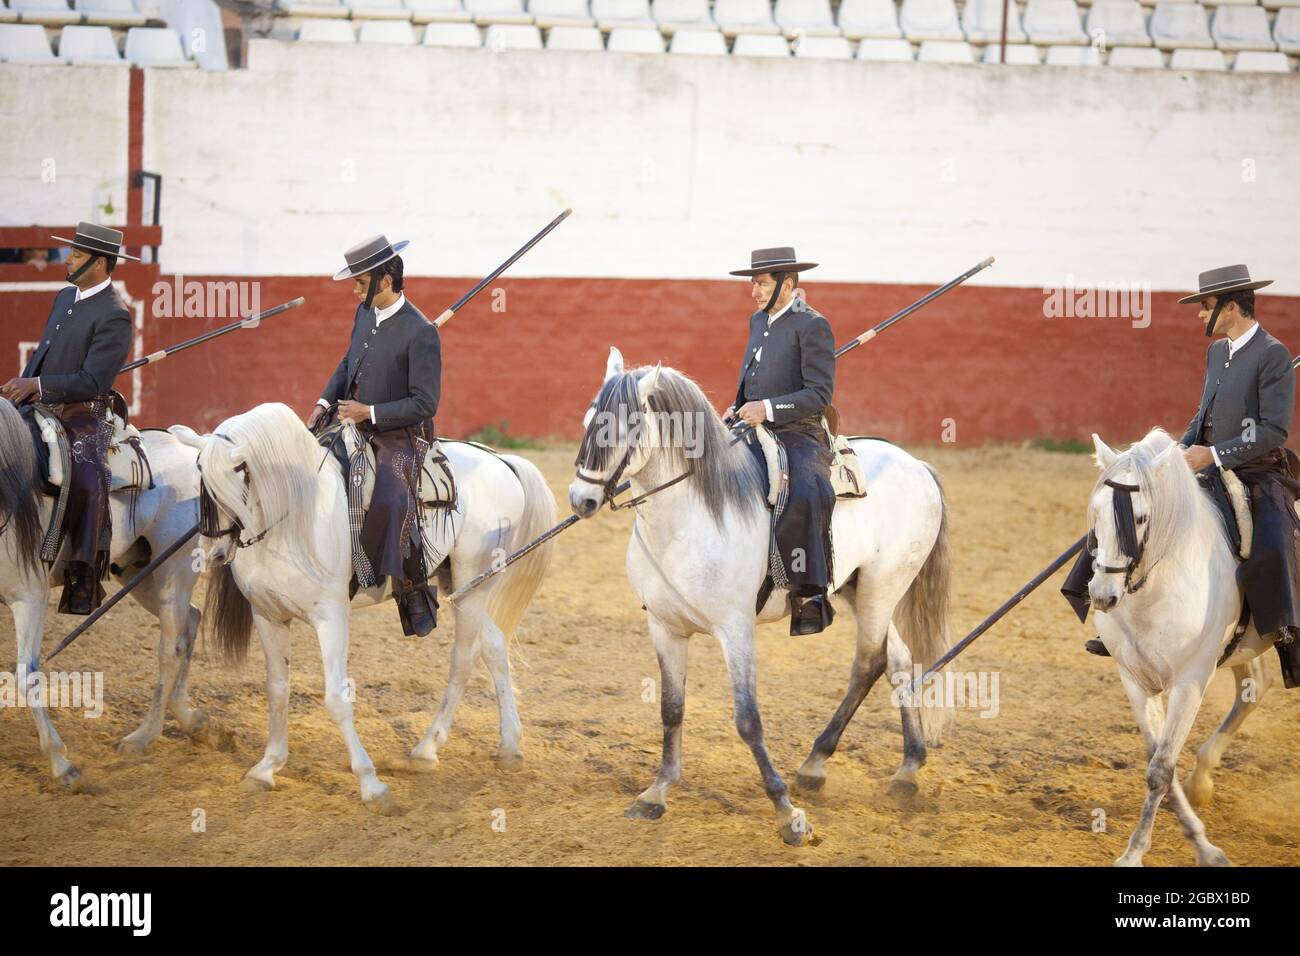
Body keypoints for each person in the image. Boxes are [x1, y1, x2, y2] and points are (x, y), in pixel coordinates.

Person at [1065, 264, 1300, 688]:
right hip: (1199, 461)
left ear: (1230, 307)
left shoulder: (1273, 355)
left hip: (1256, 471)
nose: (1199, 314)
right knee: (1125, 510)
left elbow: (1273, 431)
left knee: (1274, 538)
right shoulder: (1218, 351)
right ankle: (1107, 616)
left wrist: (1214, 454)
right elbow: (1203, 413)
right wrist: (1177, 451)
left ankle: (1284, 628)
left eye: (1205, 306)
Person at [0, 222, 139, 614]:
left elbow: (92, 380)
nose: (69, 258)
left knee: (87, 477)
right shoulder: (65, 297)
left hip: (82, 414)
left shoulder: (115, 315)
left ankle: (82, 573)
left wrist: (37, 386)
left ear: (99, 263)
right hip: (38, 404)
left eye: (77, 254)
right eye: (72, 252)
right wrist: (22, 388)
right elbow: (44, 354)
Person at [307, 235, 442, 637]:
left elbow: (425, 403)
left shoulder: (422, 333)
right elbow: (348, 361)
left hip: (402, 436)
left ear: (385, 281)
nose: (354, 290)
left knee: (390, 495)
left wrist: (371, 412)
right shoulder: (363, 314)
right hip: (348, 420)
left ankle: (404, 585)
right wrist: (322, 401)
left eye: (360, 283)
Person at [725, 247, 838, 636]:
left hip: (798, 430)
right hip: (753, 424)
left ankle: (809, 593)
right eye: (753, 284)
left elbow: (819, 394)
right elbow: (752, 375)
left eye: (761, 284)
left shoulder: (813, 326)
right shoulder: (758, 320)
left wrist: (768, 408)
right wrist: (737, 405)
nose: (754, 291)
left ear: (787, 285)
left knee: (806, 488)